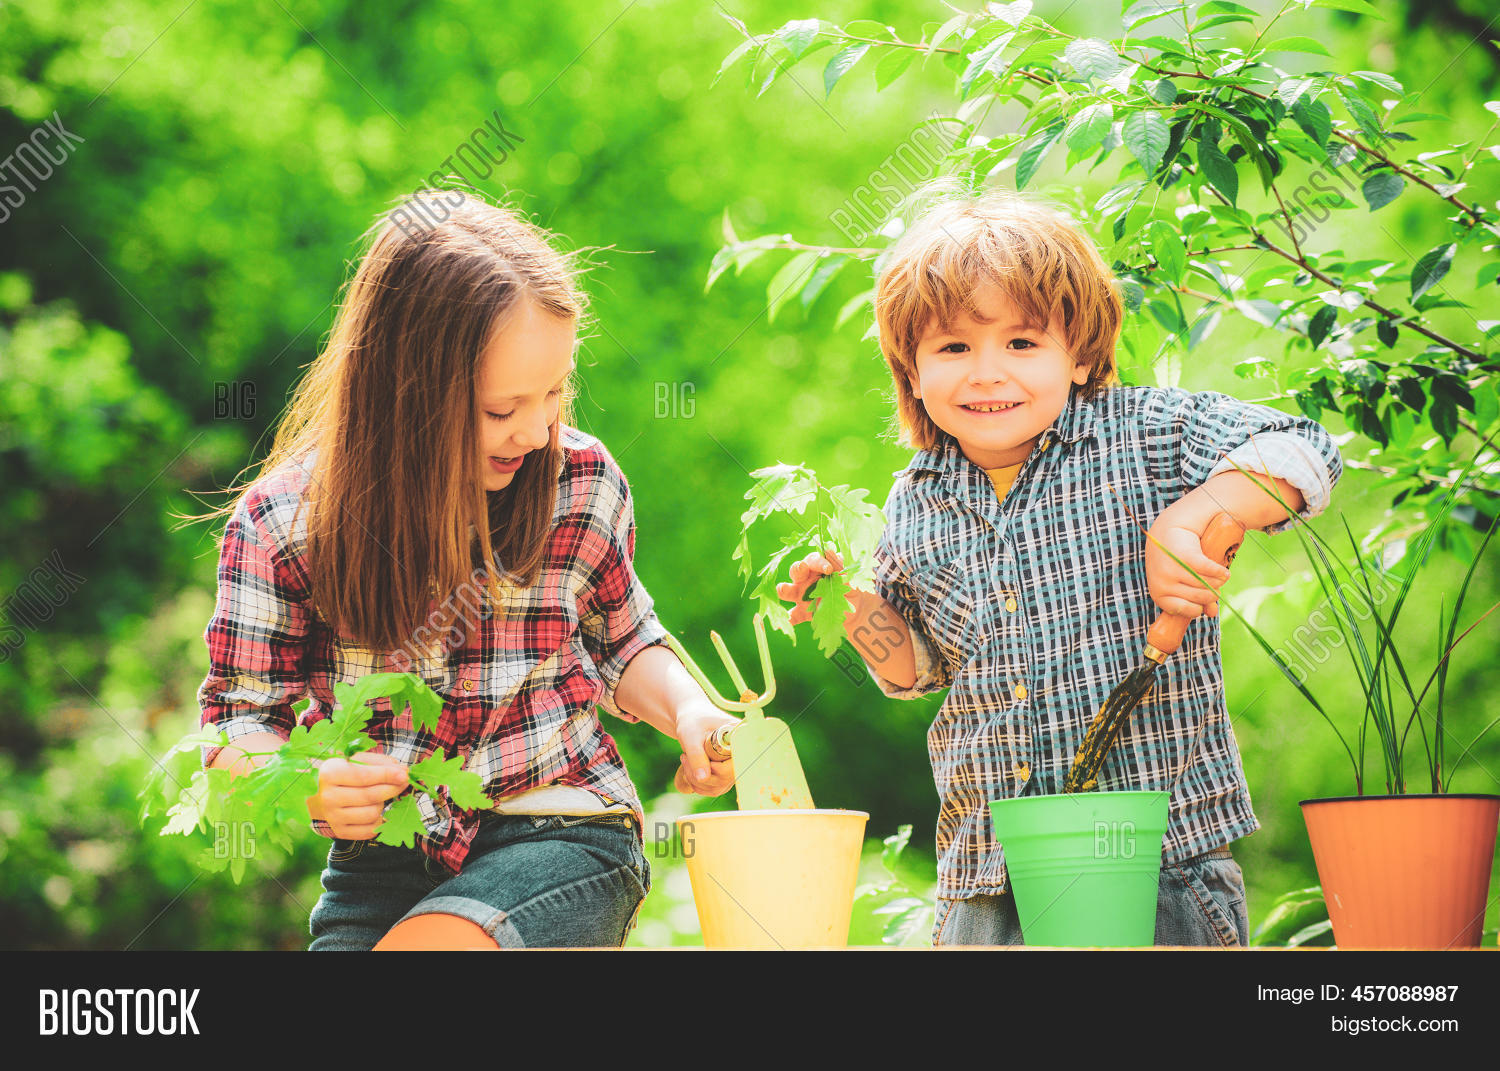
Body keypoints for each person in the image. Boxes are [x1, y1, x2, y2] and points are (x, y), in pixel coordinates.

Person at [778, 189, 1342, 947]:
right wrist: (854, 612)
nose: (986, 373)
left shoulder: (1144, 433)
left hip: (1157, 867)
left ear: (1077, 354)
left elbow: (1302, 449)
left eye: (1020, 344)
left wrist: (1198, 510)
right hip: (988, 878)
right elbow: (918, 668)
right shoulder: (914, 501)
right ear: (910, 369)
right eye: (953, 348)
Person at [197, 189, 734, 950]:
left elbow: (624, 641)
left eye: (553, 392)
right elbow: (236, 724)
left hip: (560, 830)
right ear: (403, 390)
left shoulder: (581, 484)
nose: (537, 427)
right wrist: (308, 783)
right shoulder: (284, 523)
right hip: (380, 864)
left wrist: (688, 712)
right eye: (501, 408)